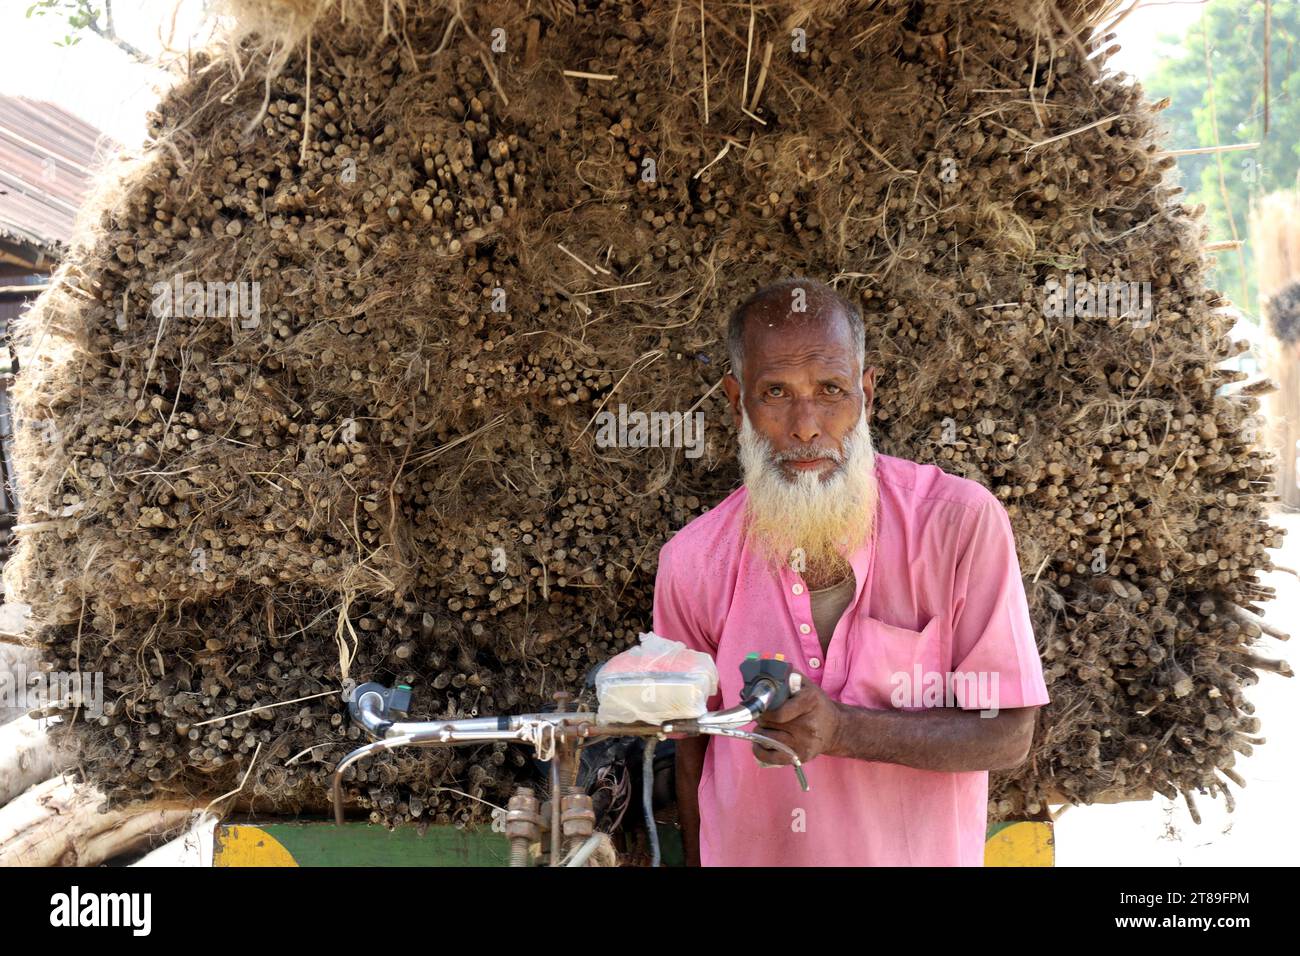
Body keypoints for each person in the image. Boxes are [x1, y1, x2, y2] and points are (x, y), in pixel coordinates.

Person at [654, 277, 1051, 866]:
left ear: (867, 393)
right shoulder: (693, 560)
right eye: (777, 393)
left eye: (831, 390)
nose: (806, 424)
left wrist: (842, 730)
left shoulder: (959, 525)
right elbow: (691, 751)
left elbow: (1009, 733)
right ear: (738, 401)